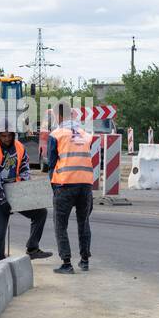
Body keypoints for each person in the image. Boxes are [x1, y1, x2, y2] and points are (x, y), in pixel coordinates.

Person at [0, 130, 51, 262]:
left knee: (40, 213)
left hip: (15, 191)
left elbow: (24, 170)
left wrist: (26, 191)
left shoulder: (19, 147)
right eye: (3, 136)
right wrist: (2, 200)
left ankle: (32, 248)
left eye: (9, 136)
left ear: (13, 135)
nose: (7, 139)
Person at [46, 103, 96, 274]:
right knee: (84, 222)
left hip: (65, 183)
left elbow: (51, 164)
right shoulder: (85, 135)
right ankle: (85, 260)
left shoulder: (56, 134)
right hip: (86, 184)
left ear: (58, 116)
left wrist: (54, 186)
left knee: (60, 224)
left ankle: (66, 263)